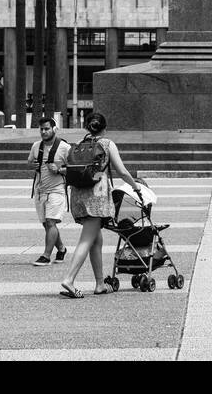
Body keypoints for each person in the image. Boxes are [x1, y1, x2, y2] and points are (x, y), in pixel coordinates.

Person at [59, 113, 143, 298]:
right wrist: (136, 187)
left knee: (96, 240)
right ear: (105, 127)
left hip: (79, 196)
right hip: (96, 198)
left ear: (87, 127)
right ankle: (69, 280)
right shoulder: (107, 144)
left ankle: (99, 284)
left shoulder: (80, 145)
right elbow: (121, 170)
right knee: (86, 240)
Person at [26, 117, 70, 266]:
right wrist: (33, 164)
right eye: (41, 129)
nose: (44, 132)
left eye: (47, 129)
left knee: (51, 222)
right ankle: (62, 249)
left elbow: (74, 169)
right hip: (40, 190)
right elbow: (29, 161)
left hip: (57, 190)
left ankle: (46, 255)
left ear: (54, 129)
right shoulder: (36, 146)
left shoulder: (64, 148)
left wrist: (59, 170)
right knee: (47, 224)